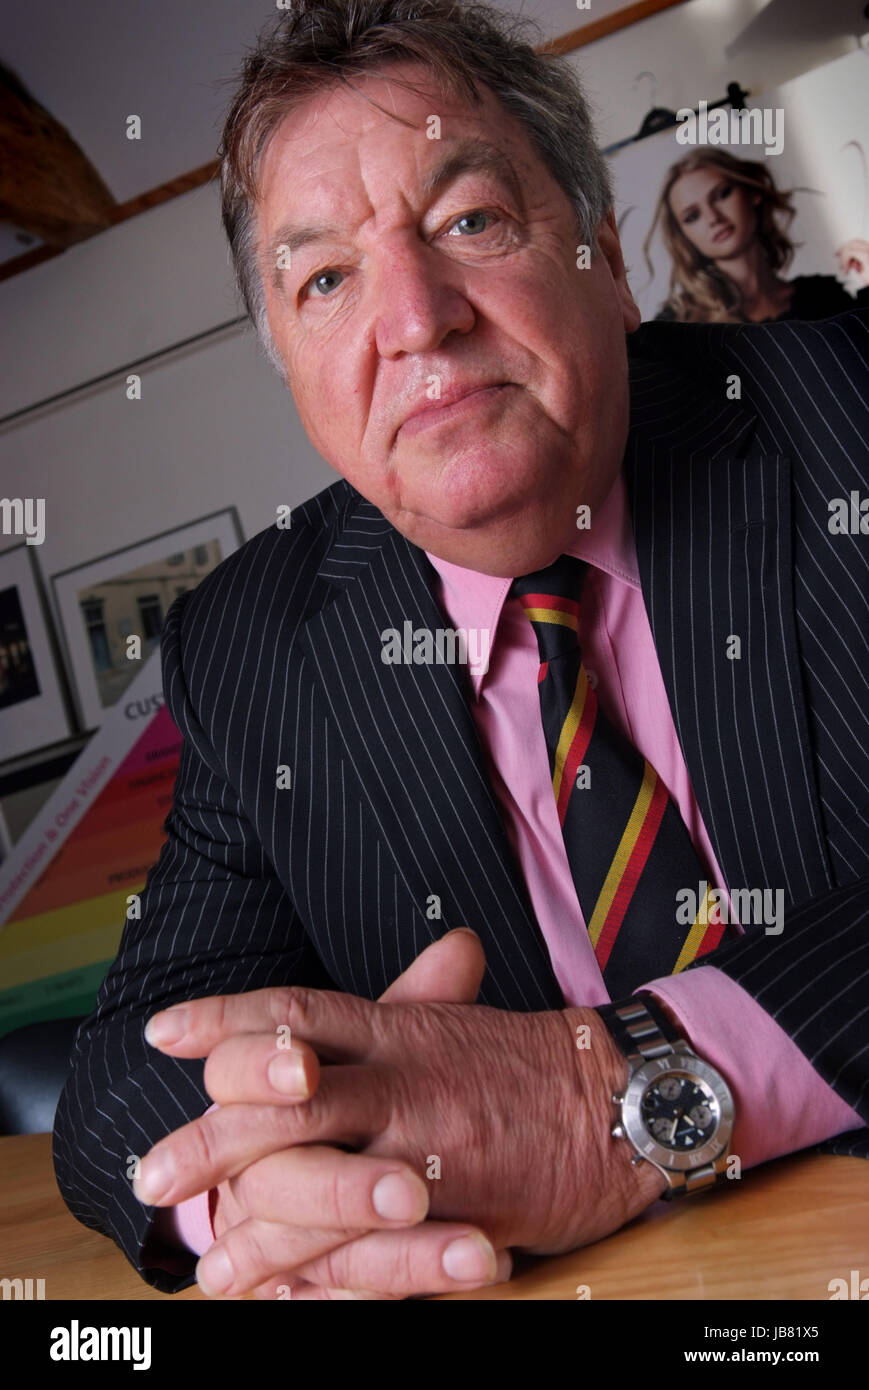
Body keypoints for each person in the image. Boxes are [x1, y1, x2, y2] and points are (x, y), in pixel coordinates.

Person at [53, 0, 869, 1301]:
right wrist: (271, 1200)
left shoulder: (847, 416)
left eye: (469, 223)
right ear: (295, 380)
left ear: (602, 250)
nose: (417, 321)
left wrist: (619, 1086)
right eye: (325, 279)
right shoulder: (255, 643)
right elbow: (133, 1056)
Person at [645, 147, 869, 323]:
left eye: (722, 194)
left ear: (752, 193)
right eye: (692, 216)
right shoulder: (679, 324)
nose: (713, 217)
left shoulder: (823, 296)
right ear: (684, 236)